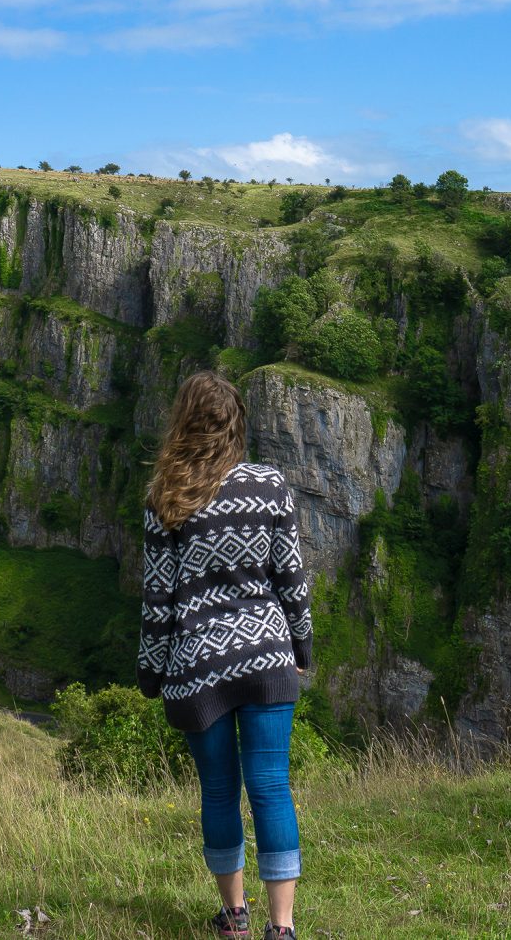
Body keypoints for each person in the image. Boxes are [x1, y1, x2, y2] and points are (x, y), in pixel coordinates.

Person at [138, 370, 313, 940]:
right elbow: (291, 578)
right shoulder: (270, 484)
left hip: (197, 667)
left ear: (182, 421)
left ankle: (234, 917)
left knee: (219, 790)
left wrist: (151, 669)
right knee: (270, 785)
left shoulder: (167, 496)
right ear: (236, 422)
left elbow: (158, 598)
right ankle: (281, 928)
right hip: (266, 655)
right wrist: (301, 644)